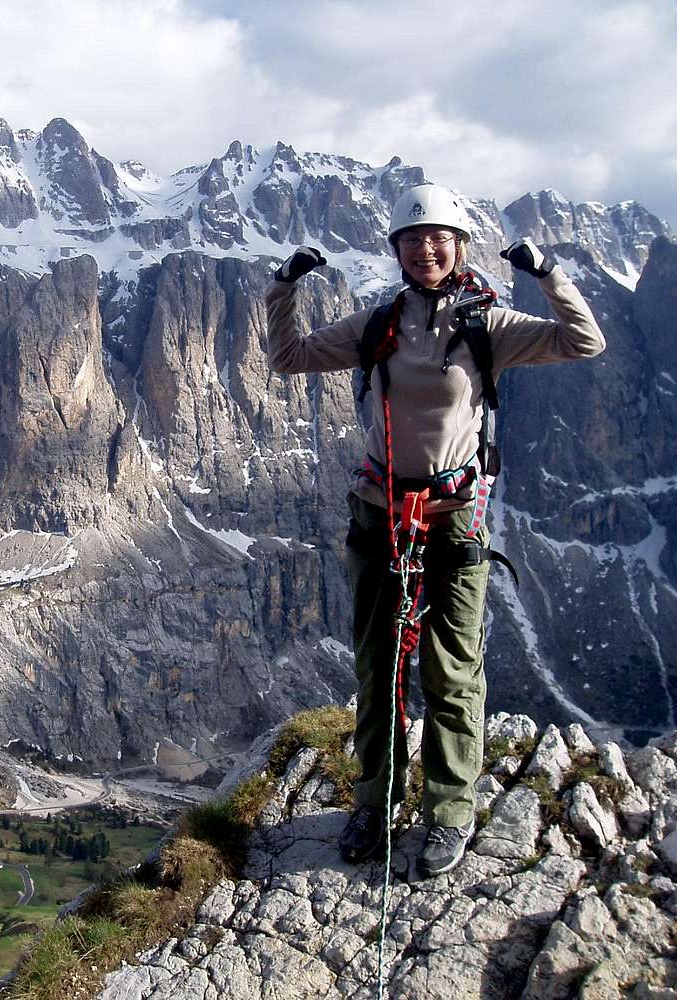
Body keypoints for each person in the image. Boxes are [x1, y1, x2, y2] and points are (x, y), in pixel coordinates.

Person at [265, 183, 605, 877]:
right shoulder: (376, 324)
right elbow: (289, 357)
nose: (426, 250)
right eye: (412, 241)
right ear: (396, 251)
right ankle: (374, 801)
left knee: (451, 671)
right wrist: (282, 289)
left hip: (452, 519)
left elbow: (582, 340)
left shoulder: (488, 325)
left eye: (438, 239)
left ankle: (449, 811)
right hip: (378, 512)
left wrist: (546, 274)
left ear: (458, 247)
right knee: (378, 665)